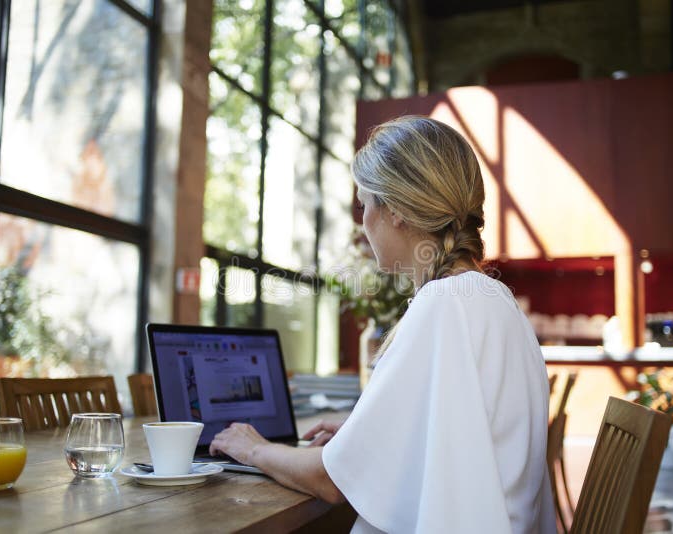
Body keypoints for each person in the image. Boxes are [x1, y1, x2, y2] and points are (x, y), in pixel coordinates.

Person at [210, 115, 556, 533]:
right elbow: (465, 439)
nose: (363, 223)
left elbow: (331, 481)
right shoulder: (493, 299)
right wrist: (370, 435)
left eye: (365, 204)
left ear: (394, 211)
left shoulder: (442, 306)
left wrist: (253, 450)